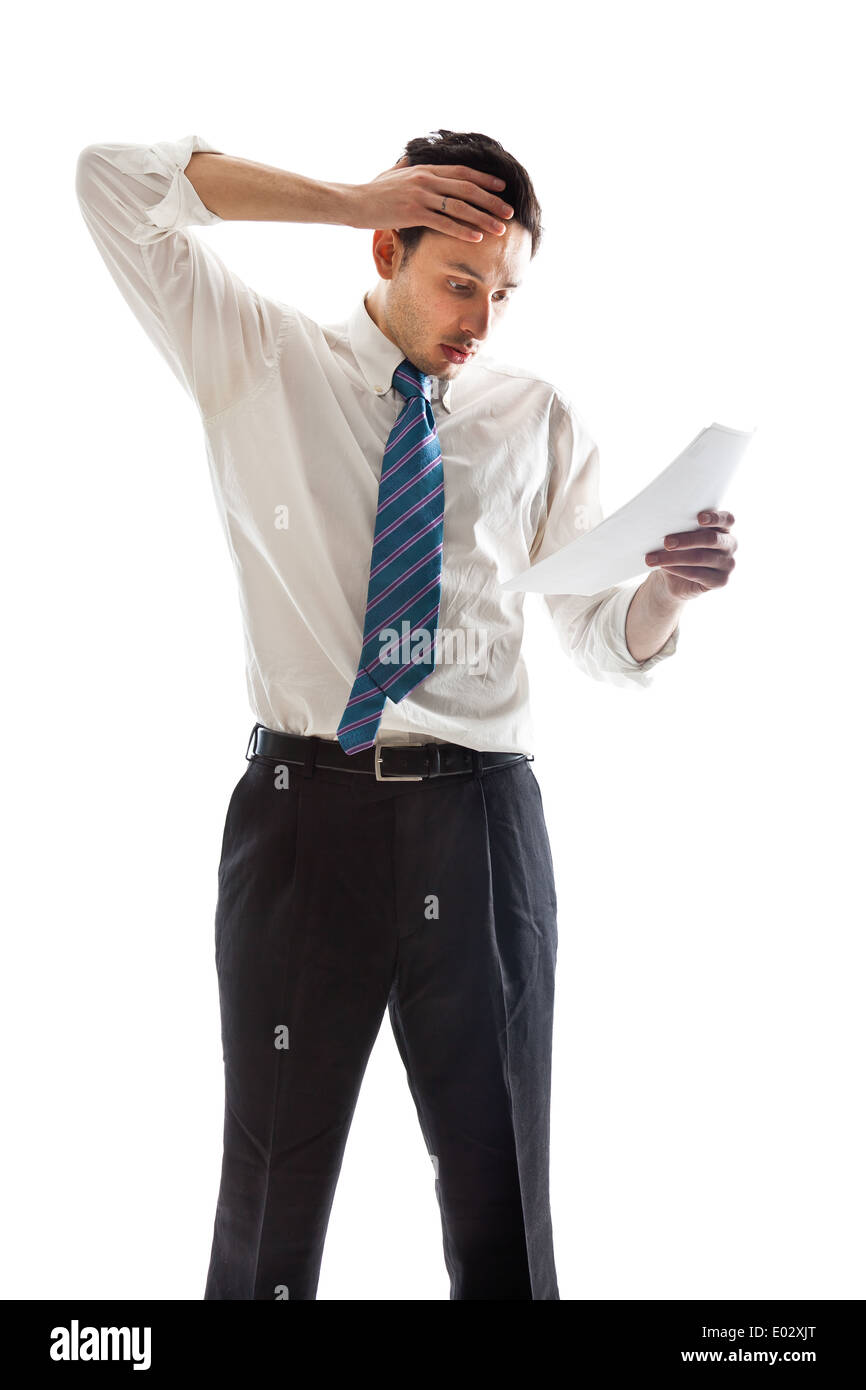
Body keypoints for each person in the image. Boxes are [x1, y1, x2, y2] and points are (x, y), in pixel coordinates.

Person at [75, 128, 736, 1300]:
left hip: (479, 828)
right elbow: (111, 184)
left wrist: (664, 592)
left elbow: (595, 635)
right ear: (384, 246)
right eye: (456, 279)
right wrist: (340, 196)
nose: (478, 316)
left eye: (501, 290)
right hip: (300, 822)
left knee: (502, 1205)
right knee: (269, 1196)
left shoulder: (532, 416)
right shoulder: (255, 359)